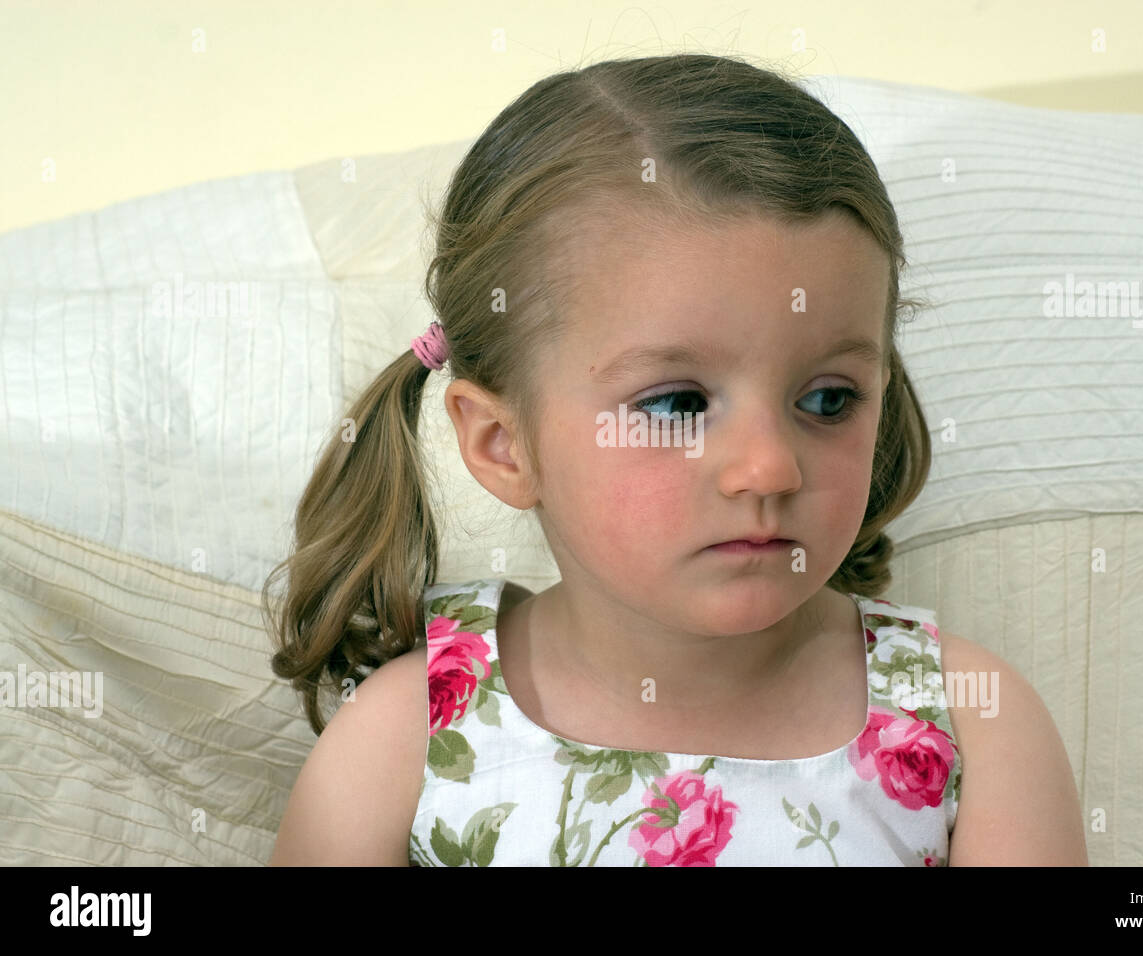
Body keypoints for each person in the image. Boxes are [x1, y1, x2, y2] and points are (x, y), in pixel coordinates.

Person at [266, 52, 1087, 867]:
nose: (768, 469)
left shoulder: (968, 721)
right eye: (675, 405)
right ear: (502, 444)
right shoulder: (409, 736)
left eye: (829, 399)